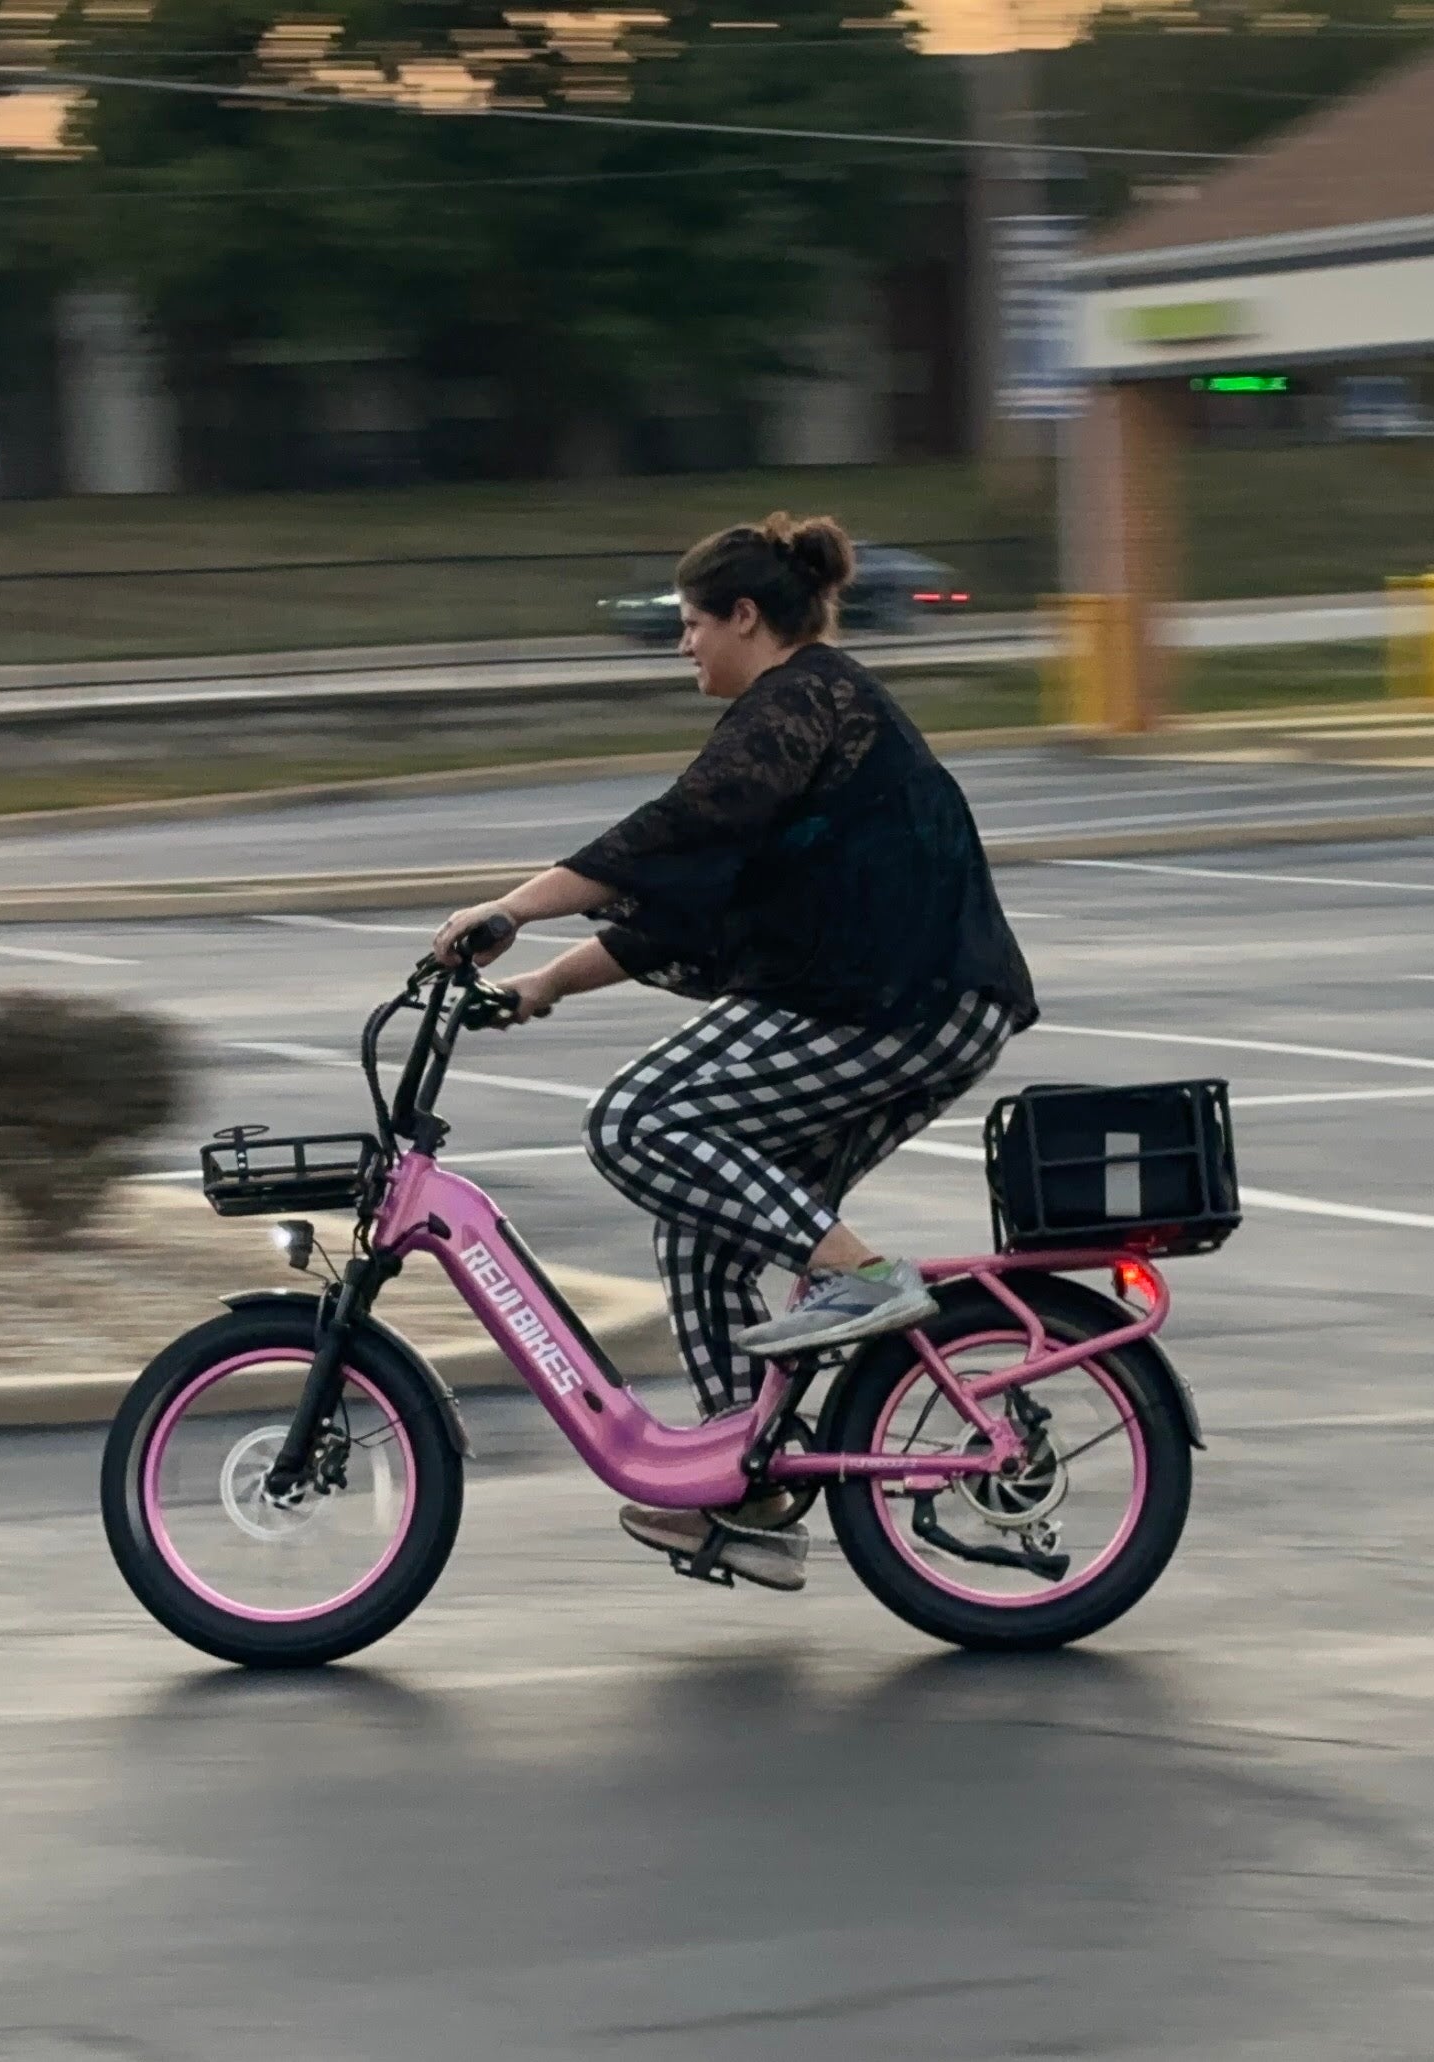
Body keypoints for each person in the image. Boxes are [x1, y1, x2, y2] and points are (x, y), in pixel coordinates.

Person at [432, 512, 1038, 1591]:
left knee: (638, 1120)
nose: (682, 647)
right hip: (887, 999)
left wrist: (513, 908)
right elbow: (693, 908)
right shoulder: (802, 721)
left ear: (746, 617)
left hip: (903, 1000)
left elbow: (673, 833)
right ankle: (747, 1494)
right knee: (699, 1227)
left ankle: (862, 1277)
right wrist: (547, 984)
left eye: (691, 624)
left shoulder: (805, 696)